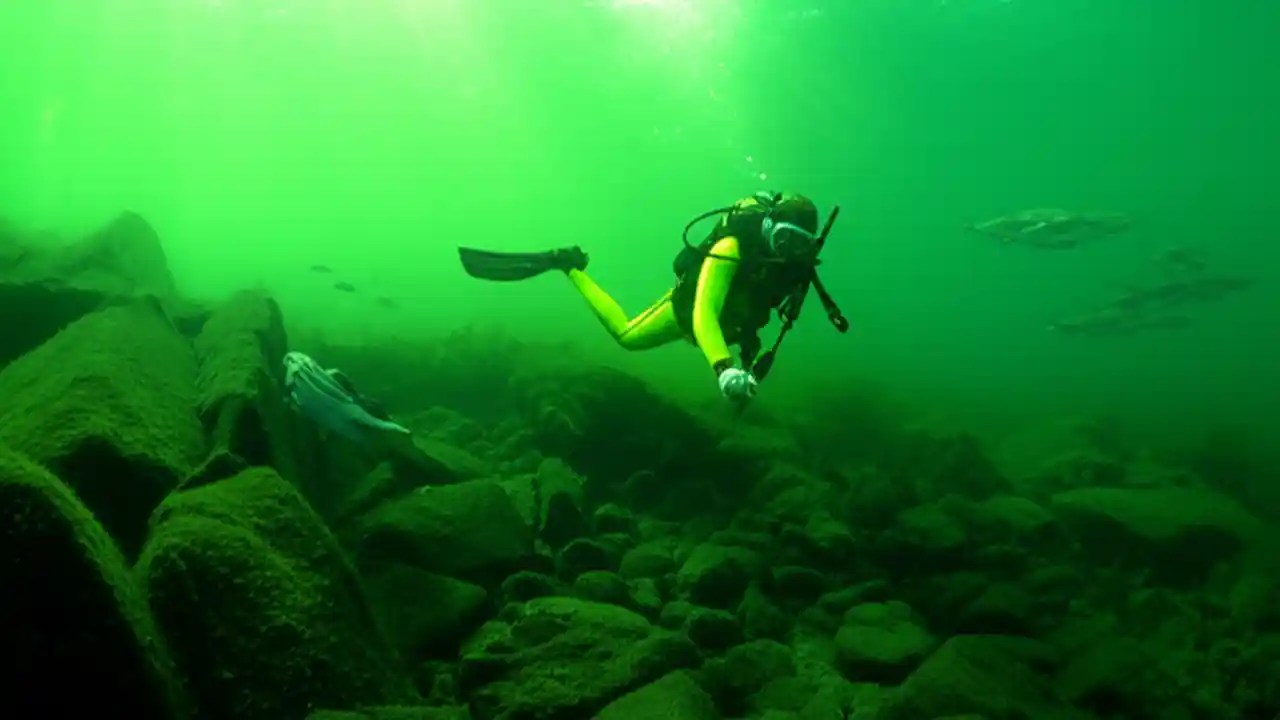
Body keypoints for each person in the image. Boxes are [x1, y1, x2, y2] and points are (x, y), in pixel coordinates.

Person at [458, 191, 848, 406]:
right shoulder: (732, 245)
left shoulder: (794, 268)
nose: (787, 250)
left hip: (730, 324)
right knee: (626, 336)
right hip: (691, 311)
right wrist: (724, 369)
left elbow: (766, 312)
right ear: (767, 228)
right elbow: (702, 314)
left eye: (798, 244)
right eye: (782, 239)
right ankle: (568, 264)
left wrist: (749, 353)